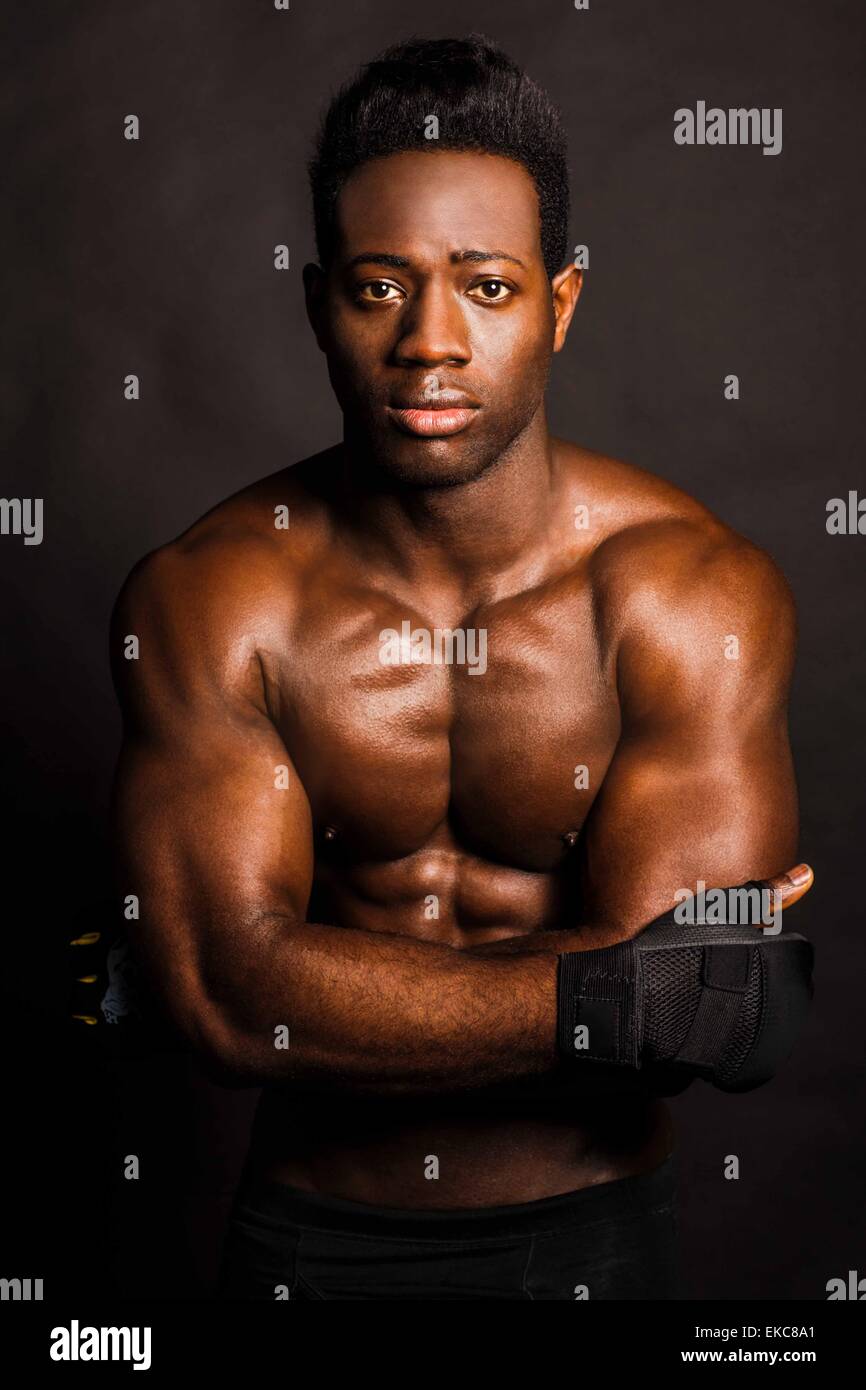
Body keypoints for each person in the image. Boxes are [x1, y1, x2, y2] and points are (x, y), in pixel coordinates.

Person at [111, 35, 814, 1300]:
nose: (428, 342)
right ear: (317, 301)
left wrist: (289, 980)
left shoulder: (686, 593)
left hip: (588, 1240)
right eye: (379, 288)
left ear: (559, 302)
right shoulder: (210, 597)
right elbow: (224, 999)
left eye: (484, 287)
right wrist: (611, 992)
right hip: (306, 1243)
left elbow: (688, 1029)